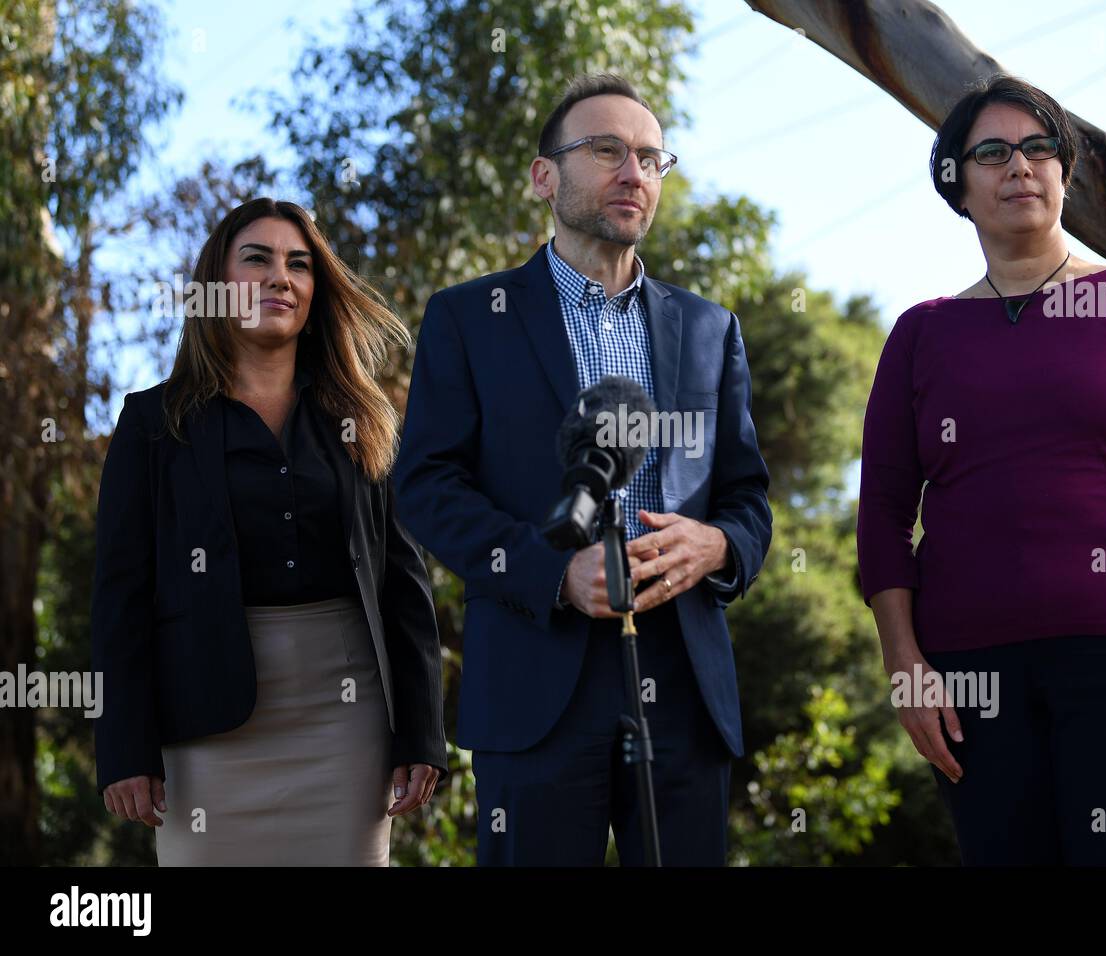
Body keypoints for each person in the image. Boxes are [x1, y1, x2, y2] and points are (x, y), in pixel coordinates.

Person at [856, 75, 1106, 865]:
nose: (1020, 167)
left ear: (1065, 173)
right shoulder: (920, 336)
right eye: (992, 153)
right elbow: (884, 515)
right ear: (957, 183)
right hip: (969, 681)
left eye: (1039, 148)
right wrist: (905, 666)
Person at [393, 73, 772, 866]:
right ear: (544, 176)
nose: (633, 173)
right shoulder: (467, 318)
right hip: (536, 681)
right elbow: (425, 487)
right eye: (606, 150)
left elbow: (747, 499)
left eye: (650, 157)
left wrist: (716, 546)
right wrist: (553, 575)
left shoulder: (710, 329)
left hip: (685, 688)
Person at [92, 198, 448, 865]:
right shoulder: (150, 423)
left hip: (347, 724)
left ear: (316, 291)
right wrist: (123, 747)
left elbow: (404, 583)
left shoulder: (361, 419)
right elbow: (120, 597)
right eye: (256, 258)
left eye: (299, 264)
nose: (280, 277)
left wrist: (422, 733)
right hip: (204, 727)